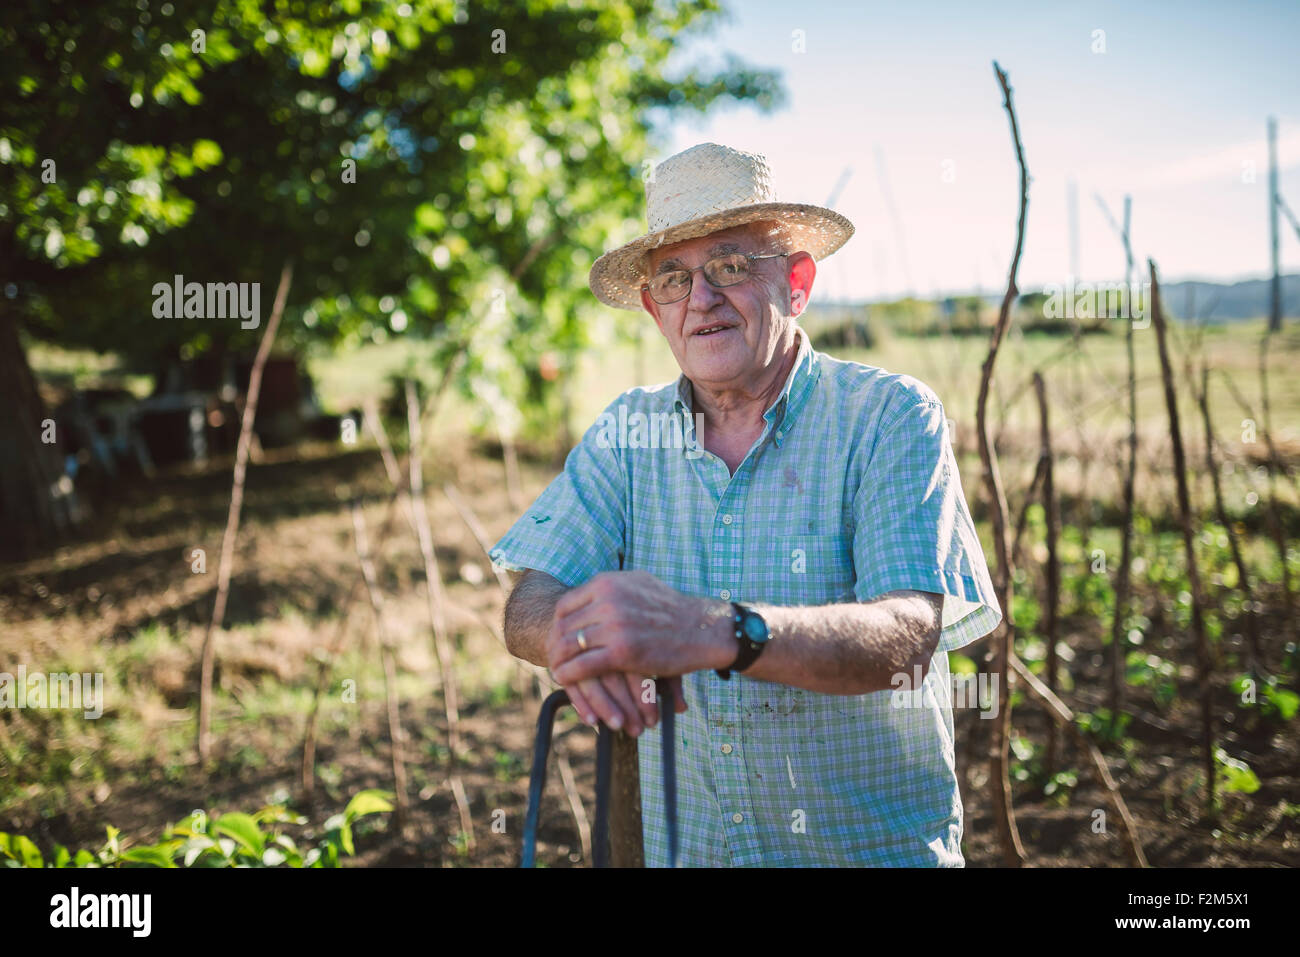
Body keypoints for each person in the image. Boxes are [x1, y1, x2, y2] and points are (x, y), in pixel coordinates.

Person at [490, 142, 1001, 866]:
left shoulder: (888, 416)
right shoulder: (626, 436)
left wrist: (715, 631)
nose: (701, 298)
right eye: (672, 278)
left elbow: (909, 636)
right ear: (652, 307)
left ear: (796, 283)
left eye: (730, 266)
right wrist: (584, 639)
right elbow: (528, 601)